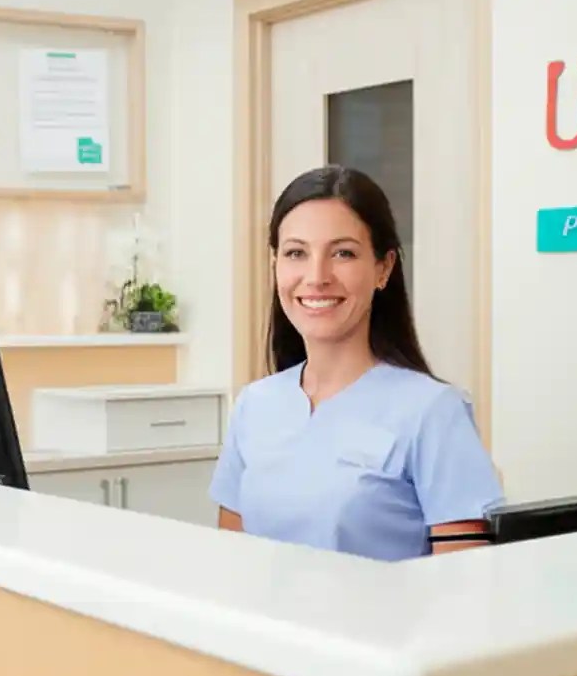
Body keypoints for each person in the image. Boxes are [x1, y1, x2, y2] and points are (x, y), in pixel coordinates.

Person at [209, 165, 503, 561]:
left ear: (384, 268)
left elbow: (467, 581)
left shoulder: (433, 411)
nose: (316, 276)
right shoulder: (254, 406)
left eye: (343, 253)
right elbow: (232, 560)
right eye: (296, 253)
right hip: (264, 624)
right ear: (276, 264)